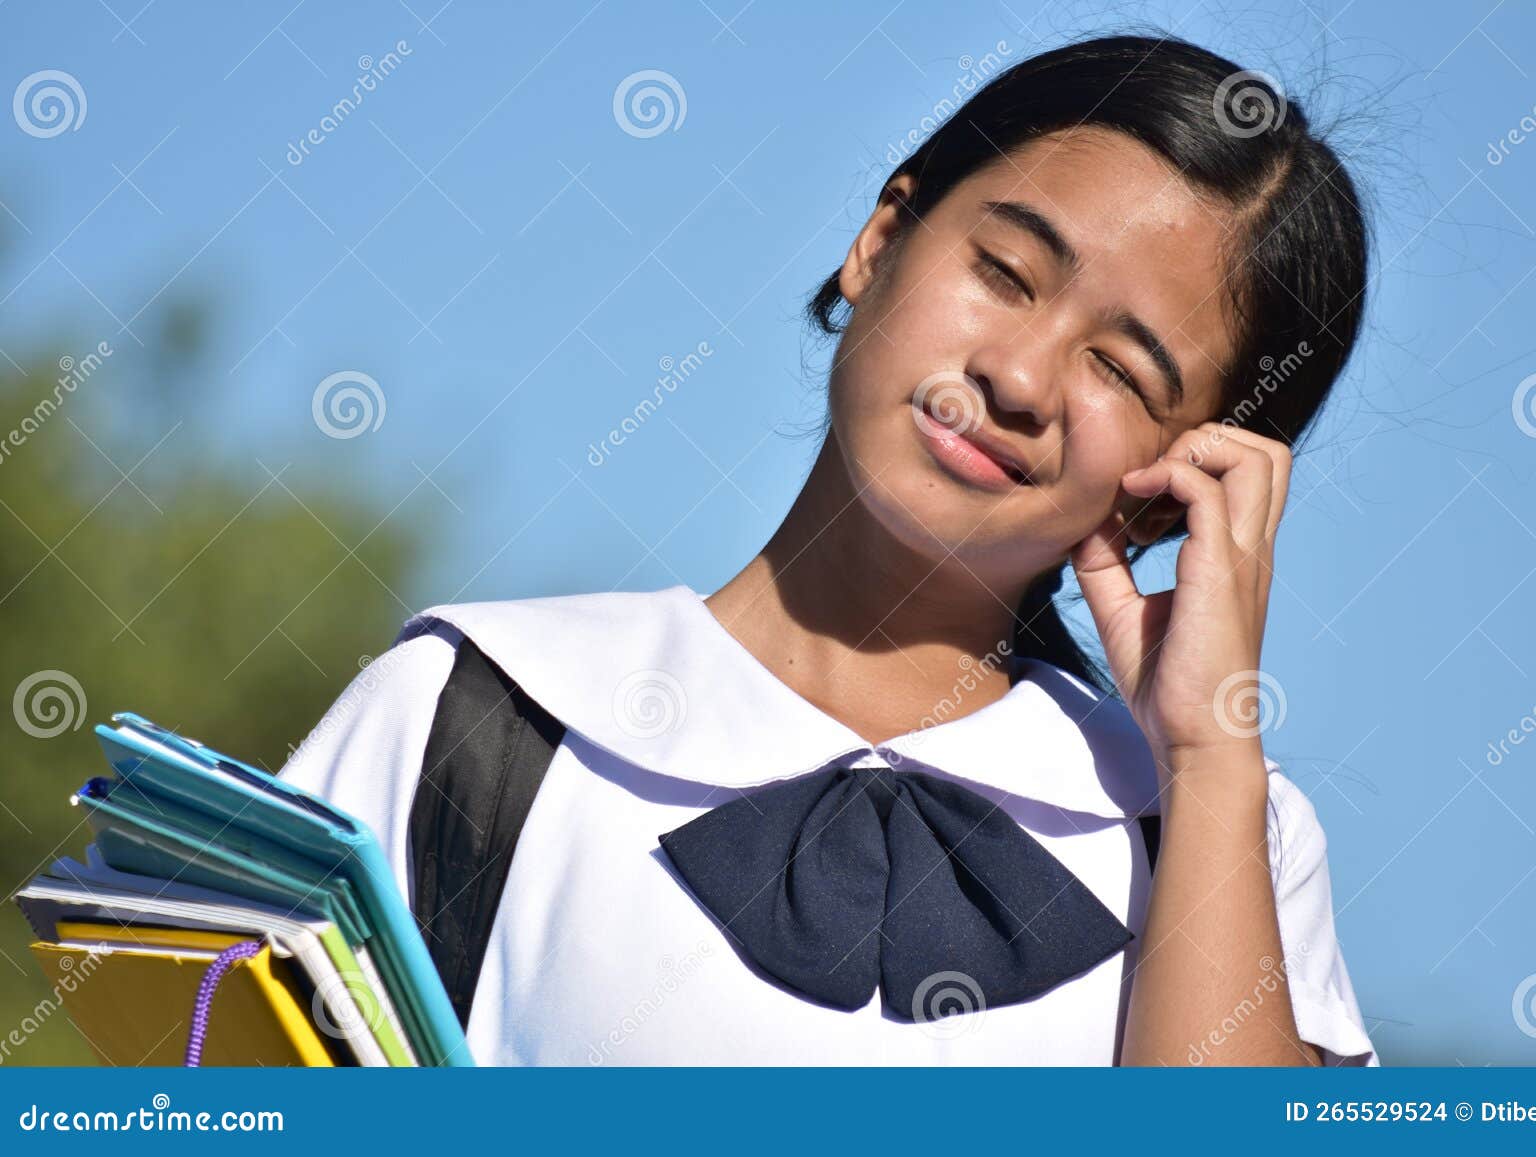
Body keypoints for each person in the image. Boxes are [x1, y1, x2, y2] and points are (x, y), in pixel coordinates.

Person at [278, 33, 1379, 1066]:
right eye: (1005, 272)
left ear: (1174, 486)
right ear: (881, 238)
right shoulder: (474, 716)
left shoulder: (1221, 828)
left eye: (1122, 372)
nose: (1020, 378)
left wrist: (1203, 762)